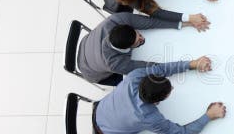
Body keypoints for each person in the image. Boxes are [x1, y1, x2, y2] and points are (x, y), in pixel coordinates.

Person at [93, 57, 225, 134]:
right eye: (170, 90)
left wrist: (192, 64)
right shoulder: (149, 117)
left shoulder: (135, 76)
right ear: (157, 101)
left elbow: (161, 69)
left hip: (100, 110)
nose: (173, 87)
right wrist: (209, 115)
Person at [76, 12, 204, 86]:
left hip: (86, 42)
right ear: (127, 48)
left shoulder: (116, 20)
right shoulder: (114, 63)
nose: (142, 39)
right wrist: (191, 65)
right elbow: (153, 68)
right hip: (89, 69)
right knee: (136, 82)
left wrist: (186, 24)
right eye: (138, 42)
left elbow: (151, 22)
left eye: (139, 34)